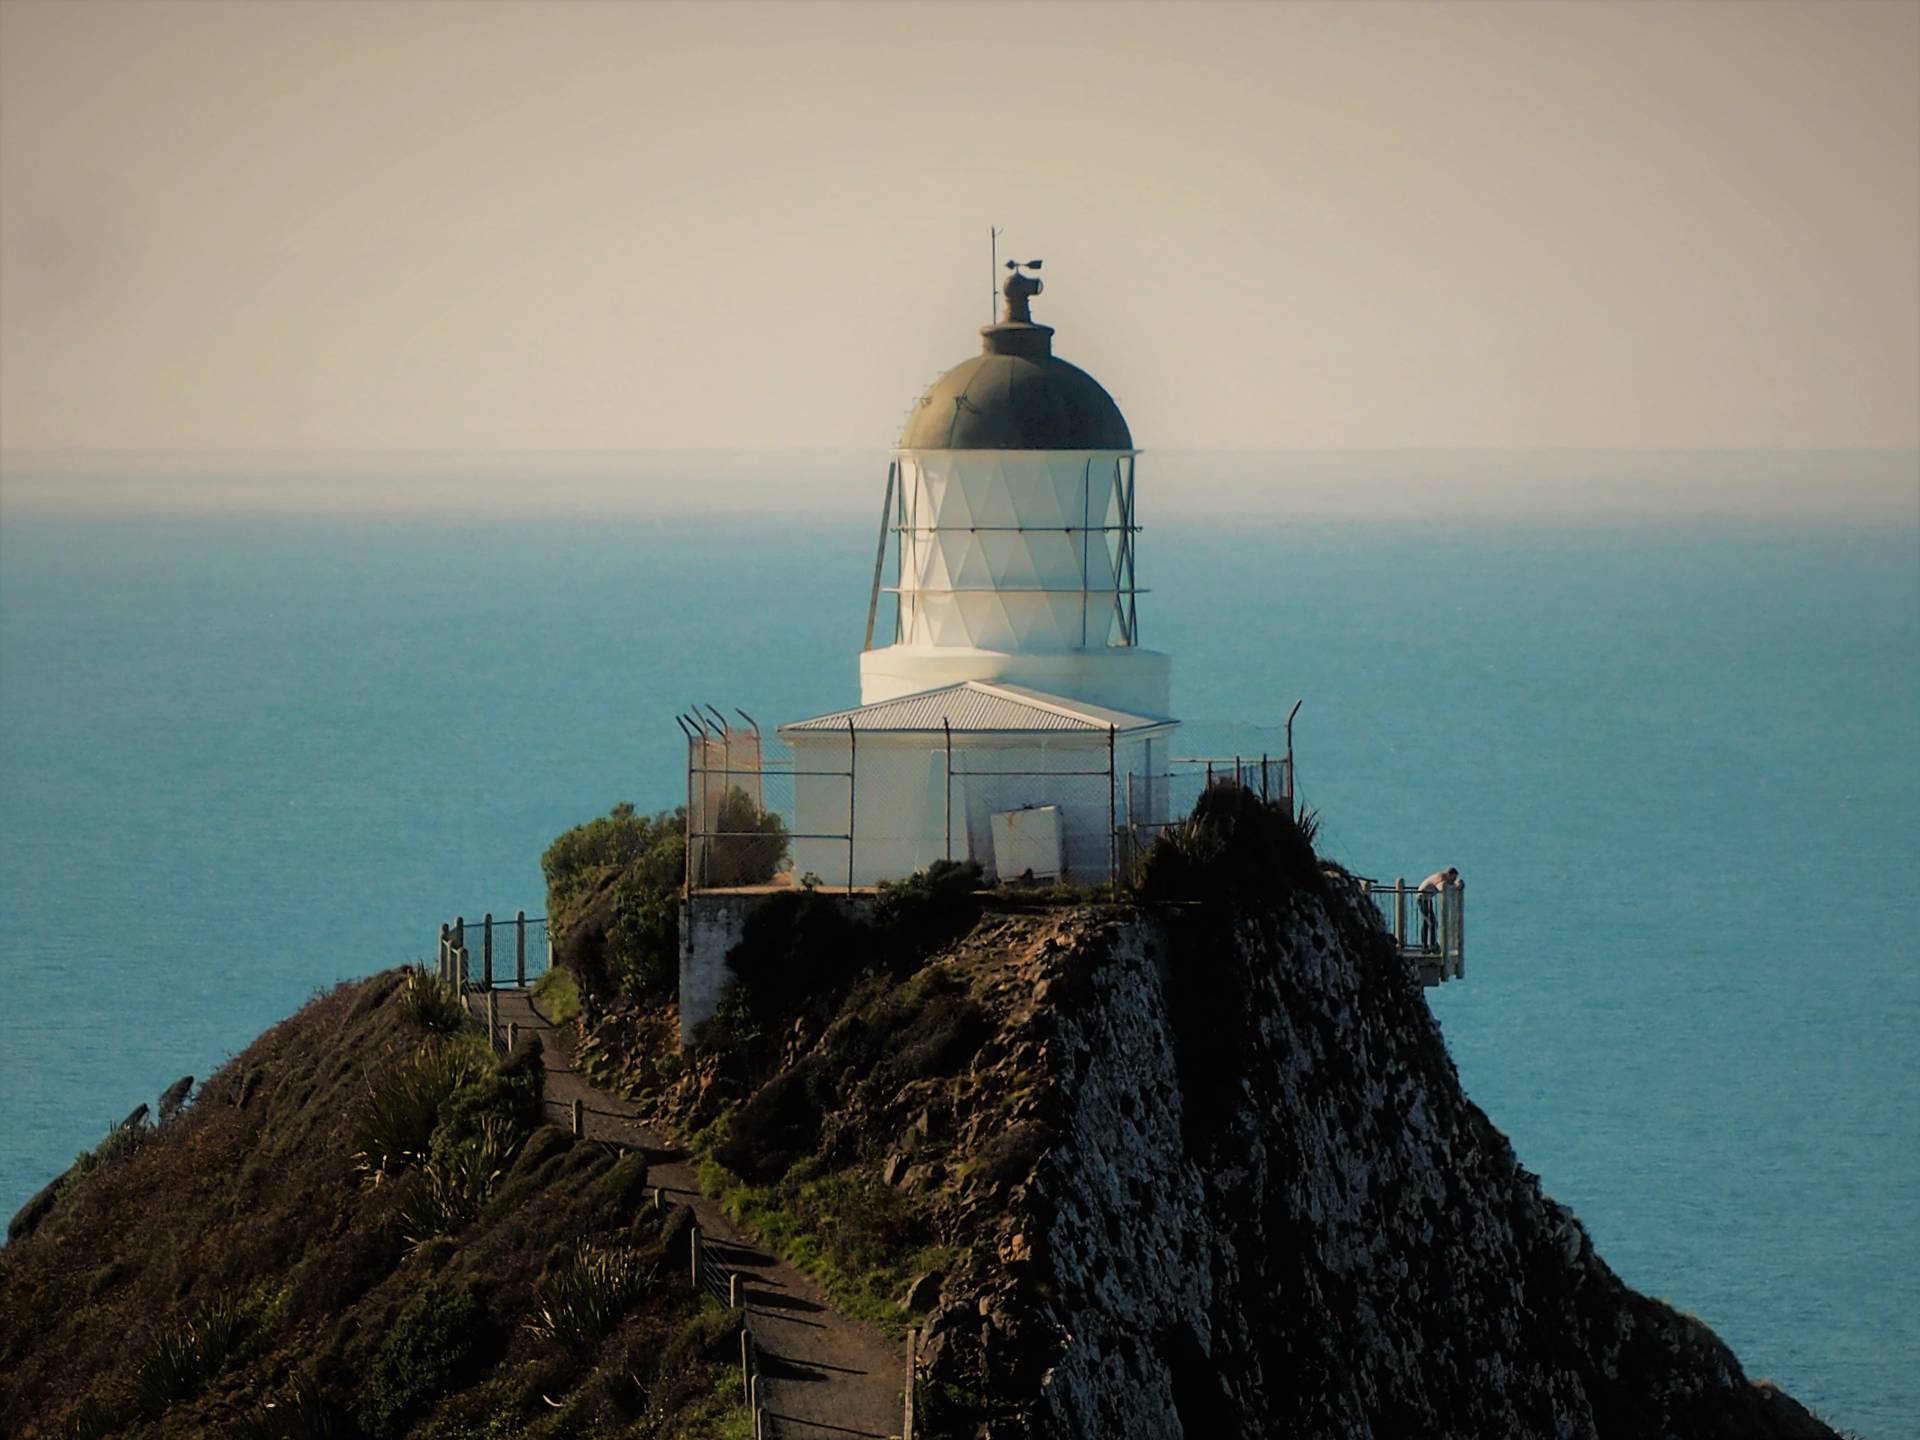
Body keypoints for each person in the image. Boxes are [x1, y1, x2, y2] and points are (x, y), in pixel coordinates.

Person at [1418, 867, 1459, 953]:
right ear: (1449, 875)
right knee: (1432, 922)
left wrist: (1455, 885)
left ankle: (1425, 945)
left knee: (1427, 922)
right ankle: (1432, 945)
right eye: (1453, 878)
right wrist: (1455, 887)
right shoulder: (1440, 878)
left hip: (1428, 899)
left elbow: (1447, 886)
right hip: (1422, 899)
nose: (1453, 880)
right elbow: (1441, 888)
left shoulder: (1444, 878)